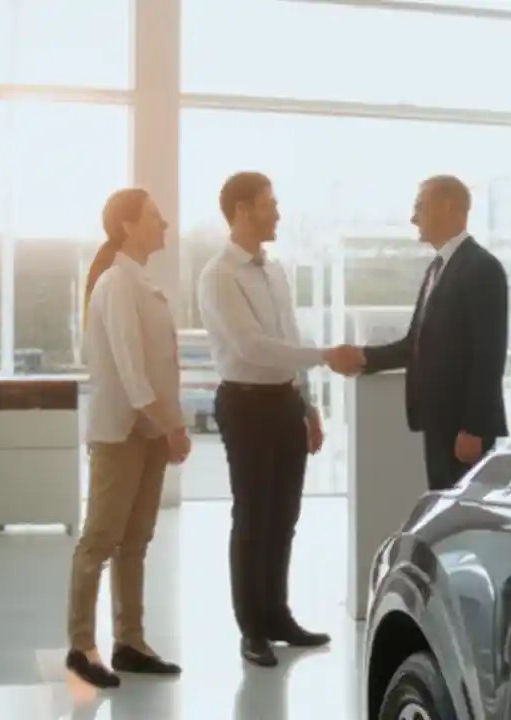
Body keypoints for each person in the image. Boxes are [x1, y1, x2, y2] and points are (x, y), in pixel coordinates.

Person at [198, 171, 363, 667]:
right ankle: (252, 629)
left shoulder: (275, 271)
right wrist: (323, 355)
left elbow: (287, 334)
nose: (278, 212)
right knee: (252, 517)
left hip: (283, 402)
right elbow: (251, 346)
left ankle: (277, 615)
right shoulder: (218, 275)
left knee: (284, 516)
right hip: (245, 403)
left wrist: (308, 404)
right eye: (270, 203)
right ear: (243, 210)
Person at [66, 188, 189, 689]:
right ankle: (81, 645)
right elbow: (131, 369)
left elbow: (159, 366)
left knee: (136, 541)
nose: (164, 226)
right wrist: (172, 426)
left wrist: (163, 425)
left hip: (147, 431)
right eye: (155, 219)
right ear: (127, 226)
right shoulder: (117, 283)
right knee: (100, 539)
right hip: (123, 432)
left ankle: (131, 642)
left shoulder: (140, 281)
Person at [361, 174, 509, 490]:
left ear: (447, 206)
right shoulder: (436, 268)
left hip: (464, 430)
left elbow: (490, 355)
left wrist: (475, 427)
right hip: (438, 423)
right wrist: (363, 358)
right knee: (442, 509)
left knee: (464, 517)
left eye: (420, 207)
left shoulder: (482, 268)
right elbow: (415, 344)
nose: (413, 217)